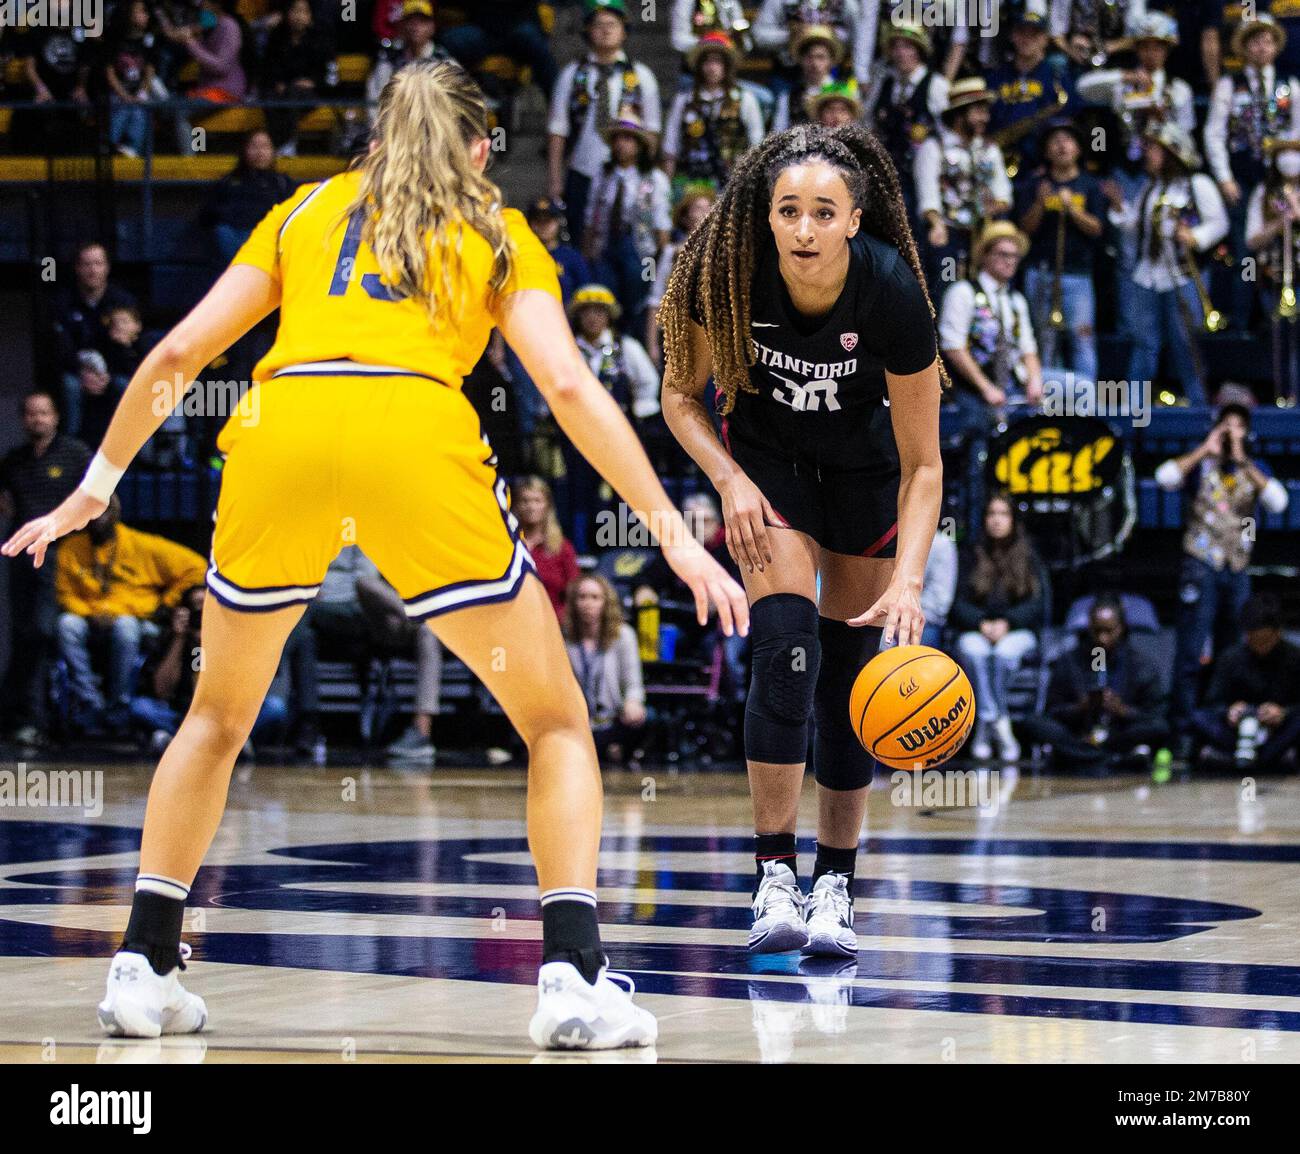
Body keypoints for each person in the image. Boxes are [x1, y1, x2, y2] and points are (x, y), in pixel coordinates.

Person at [5, 60, 745, 1050]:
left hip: (282, 428)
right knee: (557, 721)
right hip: (412, 431)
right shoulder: (494, 225)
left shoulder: (304, 209)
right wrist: (670, 531)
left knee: (217, 714)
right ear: (483, 151)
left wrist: (96, 482)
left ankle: (143, 962)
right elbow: (566, 387)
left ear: (374, 138)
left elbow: (179, 354)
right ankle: (571, 975)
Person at [658, 123, 944, 958]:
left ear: (855, 220)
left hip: (862, 471)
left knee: (849, 679)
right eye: (790, 211)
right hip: (768, 464)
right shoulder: (731, 274)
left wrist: (913, 581)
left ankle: (836, 886)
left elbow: (924, 464)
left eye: (824, 211)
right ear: (768, 218)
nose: (805, 228)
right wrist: (729, 480)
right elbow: (680, 397)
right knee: (785, 649)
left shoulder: (890, 291)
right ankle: (772, 879)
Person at [1155, 398, 1290, 737]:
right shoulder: (1202, 465)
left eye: (1239, 426)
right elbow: (1165, 478)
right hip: (1201, 564)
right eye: (1226, 425)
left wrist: (1245, 462)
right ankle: (1182, 732)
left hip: (1238, 565)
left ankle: (1225, 728)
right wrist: (1205, 450)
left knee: (1233, 653)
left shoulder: (1254, 469)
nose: (1232, 432)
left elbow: (1279, 501)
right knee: (1191, 649)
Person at [54, 494, 207, 734]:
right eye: (92, 513)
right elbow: (64, 594)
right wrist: (90, 612)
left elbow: (197, 568)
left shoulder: (140, 545)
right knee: (66, 624)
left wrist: (163, 604)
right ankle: (89, 703)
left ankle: (119, 705)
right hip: (88, 618)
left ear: (116, 514)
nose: (97, 519)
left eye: (104, 512)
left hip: (134, 618)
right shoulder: (71, 549)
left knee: (126, 627)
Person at [1106, 122, 1228, 407]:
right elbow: (1134, 226)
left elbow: (1219, 223)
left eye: (1153, 148)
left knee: (1186, 343)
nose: (1146, 154)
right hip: (1148, 275)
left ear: (1172, 152)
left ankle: (1199, 403)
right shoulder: (1151, 188)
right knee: (1143, 343)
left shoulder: (1197, 184)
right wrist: (1118, 208)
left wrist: (1195, 237)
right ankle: (1134, 404)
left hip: (1182, 274)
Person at [0, 392, 91, 747]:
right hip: (22, 554)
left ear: (56, 416)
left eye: (44, 413)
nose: (38, 419)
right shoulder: (14, 460)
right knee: (24, 634)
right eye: (31, 414)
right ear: (24, 419)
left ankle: (40, 716)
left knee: (44, 632)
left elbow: (96, 499)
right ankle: (27, 718)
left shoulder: (75, 454)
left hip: (63, 553)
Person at [1203, 14, 1300, 333]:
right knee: (1245, 252)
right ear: (1244, 48)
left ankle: (1282, 315)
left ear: (1275, 47)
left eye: (1268, 41)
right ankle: (1242, 322)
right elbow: (1214, 134)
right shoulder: (1230, 84)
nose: (1262, 47)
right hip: (1242, 179)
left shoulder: (1290, 84)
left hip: (1281, 181)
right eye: (1255, 41)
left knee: (1284, 242)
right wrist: (1224, 177)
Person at [546, 0, 662, 243]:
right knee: (581, 238)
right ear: (587, 31)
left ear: (624, 30)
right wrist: (556, 179)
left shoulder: (642, 76)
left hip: (628, 174)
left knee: (627, 244)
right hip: (582, 171)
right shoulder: (572, 74)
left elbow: (651, 130)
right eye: (598, 25)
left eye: (612, 24)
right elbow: (558, 130)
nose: (605, 30)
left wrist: (645, 172)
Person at [1016, 594, 1170, 772]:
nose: (1102, 639)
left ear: (1121, 628)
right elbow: (1052, 710)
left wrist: (1123, 710)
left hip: (1118, 733)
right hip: (1079, 732)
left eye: (1108, 631)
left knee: (1159, 728)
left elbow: (1155, 714)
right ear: (1089, 627)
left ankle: (1080, 756)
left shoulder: (1140, 664)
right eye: (1097, 631)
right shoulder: (1070, 660)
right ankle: (1110, 757)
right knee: (1032, 723)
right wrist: (1080, 708)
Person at [131, 584, 288, 756]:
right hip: (180, 715)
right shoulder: (172, 638)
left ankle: (184, 741)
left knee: (275, 707)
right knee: (141, 707)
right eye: (196, 610)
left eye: (208, 609)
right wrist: (179, 638)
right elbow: (161, 691)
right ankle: (223, 743)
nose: (202, 617)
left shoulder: (233, 635)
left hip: (225, 718)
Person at [950, 493, 1048, 764]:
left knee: (1004, 654)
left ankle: (985, 723)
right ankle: (999, 721)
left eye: (1003, 514)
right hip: (977, 630)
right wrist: (981, 623)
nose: (996, 520)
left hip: (1016, 631)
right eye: (991, 514)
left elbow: (1038, 604)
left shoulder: (1029, 556)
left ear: (1014, 520)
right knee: (975, 651)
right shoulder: (970, 554)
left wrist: (1009, 623)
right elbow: (956, 603)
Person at [1015, 118, 1106, 387]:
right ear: (1045, 150)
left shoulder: (1090, 185)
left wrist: (1074, 210)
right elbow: (1024, 229)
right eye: (1055, 141)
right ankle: (1047, 401)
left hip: (1078, 274)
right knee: (1044, 340)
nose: (1061, 146)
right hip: (1040, 273)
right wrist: (1041, 204)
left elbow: (1098, 229)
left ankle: (1086, 403)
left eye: (1068, 140)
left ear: (1078, 148)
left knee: (1082, 338)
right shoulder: (1034, 185)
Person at [938, 221, 1044, 432]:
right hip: (971, 388)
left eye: (1014, 256)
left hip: (1013, 382)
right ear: (985, 255)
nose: (1010, 261)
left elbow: (1028, 347)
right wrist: (987, 388)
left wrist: (1035, 380)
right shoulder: (962, 292)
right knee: (980, 427)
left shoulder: (1016, 300)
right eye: (1003, 254)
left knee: (1076, 386)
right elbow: (953, 348)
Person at [915, 75, 1011, 289]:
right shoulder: (935, 147)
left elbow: (1003, 193)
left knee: (984, 288)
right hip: (947, 234)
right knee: (947, 283)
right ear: (960, 114)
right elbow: (928, 194)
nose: (985, 118)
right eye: (978, 111)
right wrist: (936, 223)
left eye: (985, 111)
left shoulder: (989, 149)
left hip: (982, 234)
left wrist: (992, 207)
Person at [1192, 592, 1300, 772]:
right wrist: (1230, 711)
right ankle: (1266, 759)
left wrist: (1283, 713)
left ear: (1278, 632)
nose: (1259, 647)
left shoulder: (1295, 657)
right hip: (1238, 732)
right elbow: (1212, 702)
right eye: (1252, 640)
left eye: (1264, 641)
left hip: (1278, 732)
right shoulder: (1231, 658)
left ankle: (1244, 758)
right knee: (1198, 717)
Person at [580, 114, 671, 324]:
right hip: (605, 246)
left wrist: (658, 260)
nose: (621, 144)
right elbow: (591, 215)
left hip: (641, 251)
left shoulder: (654, 178)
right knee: (606, 292)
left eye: (628, 139)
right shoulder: (603, 175)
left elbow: (661, 221)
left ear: (639, 146)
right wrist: (588, 248)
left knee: (637, 293)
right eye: (618, 139)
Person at [48, 242, 139, 440]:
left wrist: (108, 374)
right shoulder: (63, 302)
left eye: (98, 264)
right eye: (86, 264)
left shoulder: (123, 301)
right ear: (77, 268)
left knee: (126, 386)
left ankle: (128, 450)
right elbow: (60, 348)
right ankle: (70, 450)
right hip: (77, 372)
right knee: (69, 386)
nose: (93, 270)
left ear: (106, 267)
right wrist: (83, 372)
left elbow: (131, 348)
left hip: (115, 371)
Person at [863, 23, 948, 222]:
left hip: (922, 169)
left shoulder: (935, 85)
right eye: (896, 48)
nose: (901, 54)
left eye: (908, 47)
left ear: (919, 51)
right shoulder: (884, 83)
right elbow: (868, 121)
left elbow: (946, 131)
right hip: (888, 168)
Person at [661, 32, 764, 196]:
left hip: (733, 184)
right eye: (707, 61)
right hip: (692, 183)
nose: (712, 67)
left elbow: (757, 147)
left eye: (717, 61)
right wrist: (668, 191)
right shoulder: (683, 100)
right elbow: (670, 149)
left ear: (726, 66)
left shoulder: (745, 99)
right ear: (699, 66)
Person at [561, 573, 647, 764]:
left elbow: (633, 683)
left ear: (605, 602)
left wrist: (633, 702)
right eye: (582, 597)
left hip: (614, 718)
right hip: (578, 720)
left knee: (641, 719)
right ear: (573, 602)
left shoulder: (623, 635)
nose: (588, 603)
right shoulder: (564, 638)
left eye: (595, 597)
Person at [1245, 136, 1300, 404]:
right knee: (1279, 341)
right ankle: (1281, 398)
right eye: (1285, 153)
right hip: (1274, 277)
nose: (1291, 159)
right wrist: (1279, 223)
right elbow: (1251, 239)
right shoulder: (1263, 192)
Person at [198, 128, 298, 266]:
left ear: (273, 151)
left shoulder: (283, 183)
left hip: (267, 239)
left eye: (264, 146)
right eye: (254, 146)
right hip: (235, 238)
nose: (259, 152)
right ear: (244, 150)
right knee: (223, 232)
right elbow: (207, 214)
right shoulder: (229, 181)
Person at [259, 0, 335, 157]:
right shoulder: (277, 37)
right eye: (295, 11)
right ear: (287, 14)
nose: (298, 16)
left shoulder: (321, 39)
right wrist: (277, 83)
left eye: (303, 12)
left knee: (293, 95)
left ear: (310, 16)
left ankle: (286, 144)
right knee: (269, 96)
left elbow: (330, 77)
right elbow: (268, 68)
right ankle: (277, 144)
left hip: (312, 93)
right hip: (281, 90)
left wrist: (313, 83)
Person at [513, 475, 579, 616]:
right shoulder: (508, 543)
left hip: (554, 622)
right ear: (517, 505)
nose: (531, 507)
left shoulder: (562, 547)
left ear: (547, 505)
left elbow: (574, 592)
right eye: (525, 501)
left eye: (537, 501)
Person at [919, 525, 957, 650]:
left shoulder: (941, 543)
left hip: (924, 618)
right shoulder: (888, 538)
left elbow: (940, 601)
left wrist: (909, 616)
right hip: (885, 616)